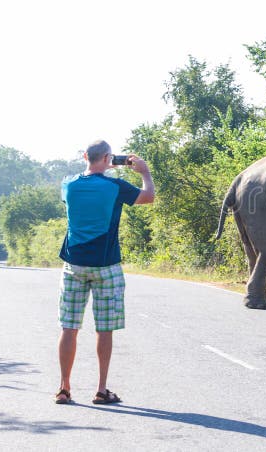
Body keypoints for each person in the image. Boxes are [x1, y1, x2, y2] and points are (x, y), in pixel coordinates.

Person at [54, 140, 155, 405]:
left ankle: (64, 387)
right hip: (106, 265)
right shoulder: (116, 186)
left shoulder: (68, 185)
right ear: (109, 158)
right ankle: (101, 389)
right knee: (105, 329)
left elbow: (78, 191)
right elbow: (148, 197)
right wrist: (144, 172)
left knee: (69, 327)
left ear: (86, 156)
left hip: (73, 264)